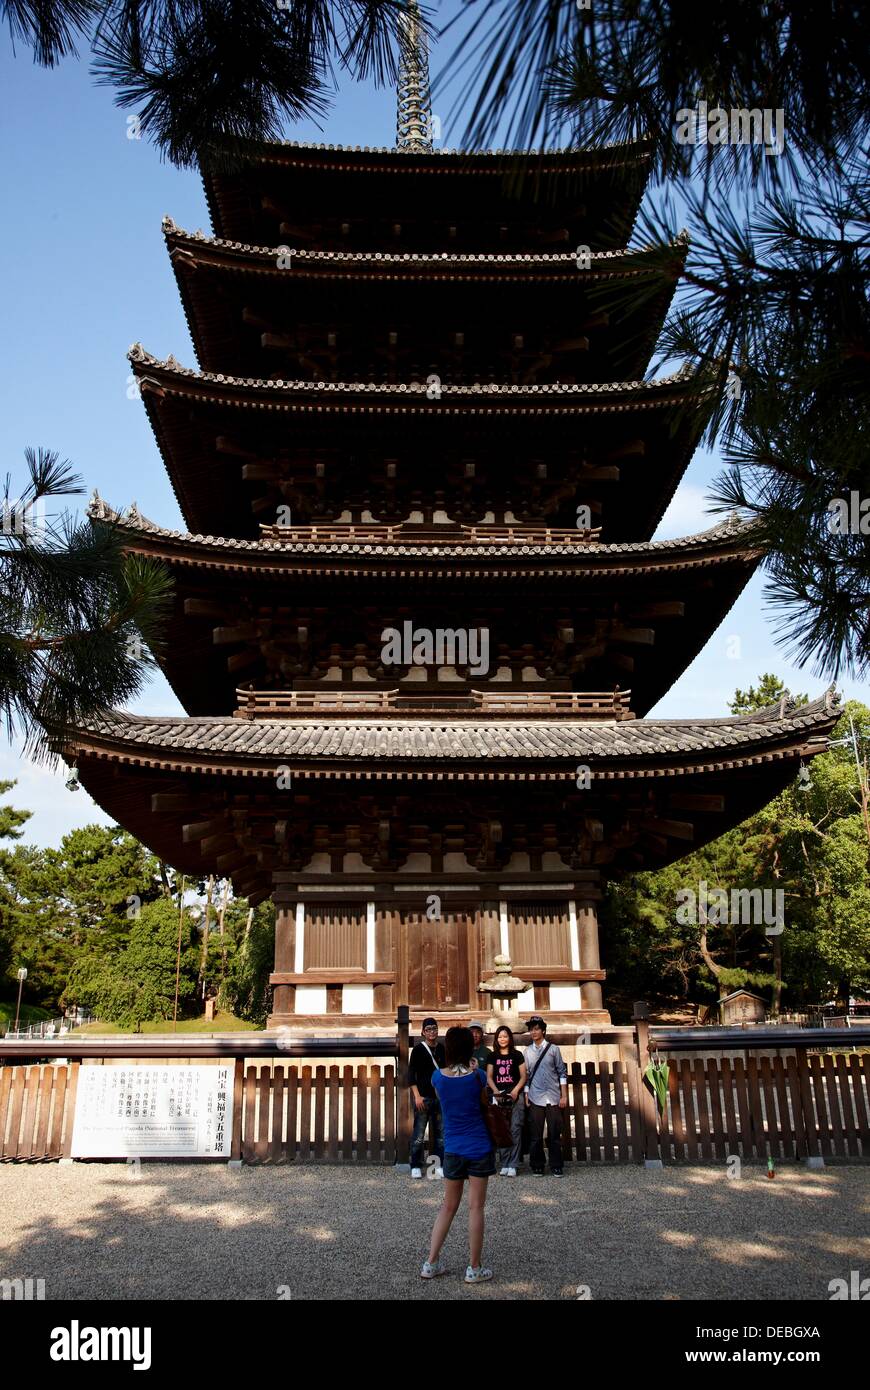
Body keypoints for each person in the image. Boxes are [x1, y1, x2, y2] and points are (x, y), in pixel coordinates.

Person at [421, 1025, 495, 1283]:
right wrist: (473, 1068)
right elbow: (484, 1103)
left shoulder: (437, 1078)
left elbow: (444, 1097)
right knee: (476, 1207)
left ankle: (430, 1263)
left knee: (448, 1206)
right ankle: (474, 1268)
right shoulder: (478, 1077)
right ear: (470, 1048)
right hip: (479, 1145)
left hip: (452, 1147)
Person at [523, 1015, 568, 1177]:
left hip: (554, 1095)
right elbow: (526, 1075)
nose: (533, 1032)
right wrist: (526, 1094)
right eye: (531, 1029)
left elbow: (562, 1072)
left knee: (554, 1133)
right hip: (535, 1095)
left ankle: (556, 1165)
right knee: (536, 1135)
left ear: (543, 1030)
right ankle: (537, 1164)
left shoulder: (554, 1049)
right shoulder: (527, 1051)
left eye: (536, 1029)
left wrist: (564, 1095)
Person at [486, 1024, 527, 1176]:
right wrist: (496, 1091)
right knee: (502, 1130)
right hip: (499, 1095)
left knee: (515, 1128)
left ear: (510, 1038)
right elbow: (489, 1077)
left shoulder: (517, 1055)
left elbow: (523, 1076)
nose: (503, 1039)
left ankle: (514, 1164)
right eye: (500, 1037)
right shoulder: (492, 1056)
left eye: (505, 1036)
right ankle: (504, 1162)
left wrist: (516, 1090)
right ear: (496, 1039)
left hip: (515, 1095)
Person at [408, 1018, 445, 1179]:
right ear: (423, 1032)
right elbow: (411, 1075)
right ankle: (415, 1165)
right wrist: (416, 1096)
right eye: (428, 1029)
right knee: (419, 1134)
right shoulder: (418, 1050)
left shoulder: (442, 1049)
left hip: (440, 1097)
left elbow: (446, 1071)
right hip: (423, 1097)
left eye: (434, 1029)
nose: (432, 1032)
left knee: (440, 1135)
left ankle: (437, 1165)